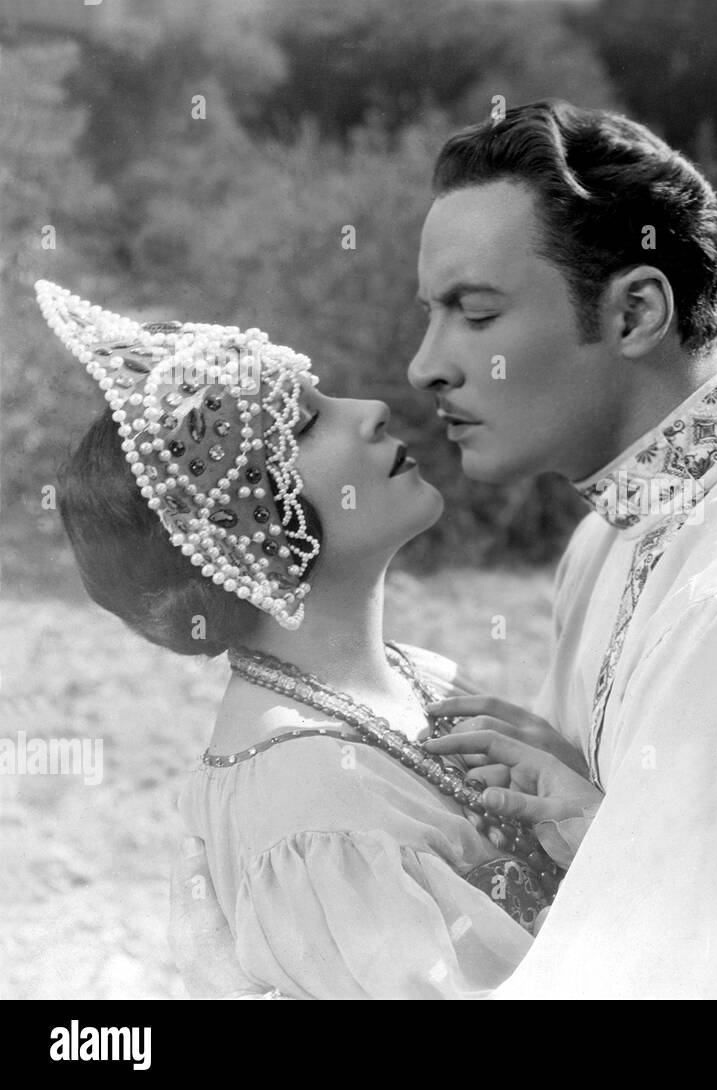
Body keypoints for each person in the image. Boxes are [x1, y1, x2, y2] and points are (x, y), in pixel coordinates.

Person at [176, 99, 717, 999]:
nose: (424, 366)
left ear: (635, 313)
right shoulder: (610, 536)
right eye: (430, 314)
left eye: (474, 316)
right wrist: (602, 825)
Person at [38, 279, 585, 999]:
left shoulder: (413, 675)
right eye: (304, 427)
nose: (371, 412)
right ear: (244, 527)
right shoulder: (315, 802)